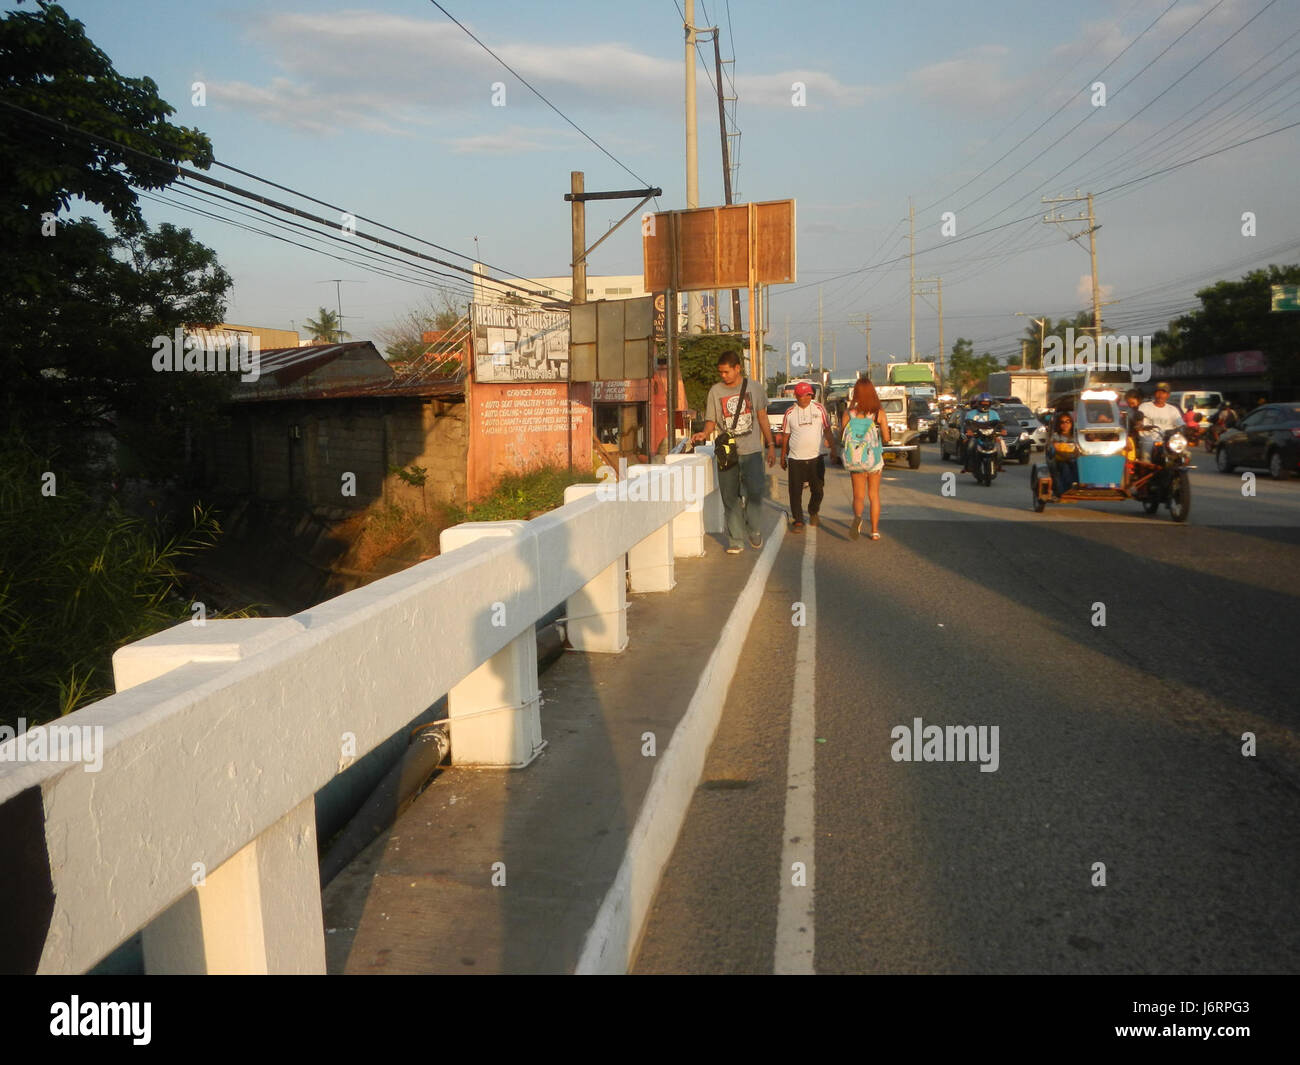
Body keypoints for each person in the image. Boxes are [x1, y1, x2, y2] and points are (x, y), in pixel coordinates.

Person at [693, 351, 776, 554]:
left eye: (727, 372)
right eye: (720, 372)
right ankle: (736, 539)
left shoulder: (754, 388)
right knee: (730, 496)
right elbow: (712, 420)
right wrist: (704, 432)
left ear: (737, 368)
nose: (723, 376)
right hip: (727, 451)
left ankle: (754, 529)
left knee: (755, 492)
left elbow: (763, 417)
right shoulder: (715, 391)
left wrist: (771, 445)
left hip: (752, 451)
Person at [780, 381, 834, 532]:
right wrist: (783, 455)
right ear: (796, 396)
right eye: (803, 395)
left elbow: (828, 429)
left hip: (816, 457)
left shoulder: (819, 409)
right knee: (795, 491)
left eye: (809, 395)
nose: (806, 398)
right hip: (796, 458)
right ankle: (798, 519)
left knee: (818, 489)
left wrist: (833, 448)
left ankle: (813, 511)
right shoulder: (790, 412)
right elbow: (785, 435)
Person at [840, 379, 890, 539]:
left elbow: (841, 437)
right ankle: (874, 531)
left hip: (855, 459)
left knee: (858, 496)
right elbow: (887, 438)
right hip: (874, 461)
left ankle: (858, 518)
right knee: (874, 495)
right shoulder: (878, 413)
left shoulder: (849, 413)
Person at [1137, 381, 1184, 461]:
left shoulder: (1173, 409)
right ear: (1154, 394)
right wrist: (1139, 425)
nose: (1160, 395)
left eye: (1163, 393)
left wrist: (1187, 429)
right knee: (1146, 459)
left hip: (1168, 441)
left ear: (1168, 395)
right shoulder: (1144, 406)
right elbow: (1139, 420)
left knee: (1184, 455)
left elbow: (1180, 424)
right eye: (1158, 392)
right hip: (1149, 439)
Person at [961, 392, 1004, 472]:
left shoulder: (994, 413)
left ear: (990, 404)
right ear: (978, 403)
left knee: (1000, 446)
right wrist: (969, 431)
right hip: (976, 436)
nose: (985, 406)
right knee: (970, 446)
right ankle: (967, 466)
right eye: (983, 403)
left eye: (987, 404)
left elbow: (998, 424)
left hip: (991, 436)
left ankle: (998, 465)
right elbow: (967, 424)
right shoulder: (970, 414)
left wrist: (1002, 430)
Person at [1047, 411, 1079, 499]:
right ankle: (1064, 490)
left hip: (1074, 459)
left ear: (1071, 423)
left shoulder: (1076, 436)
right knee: (1065, 467)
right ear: (1059, 424)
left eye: (1067, 421)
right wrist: (1067, 456)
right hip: (1059, 460)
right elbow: (1056, 449)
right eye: (1062, 422)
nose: (1065, 424)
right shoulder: (1056, 436)